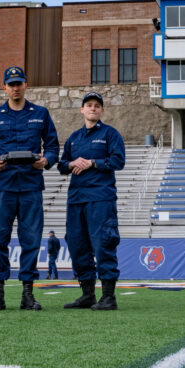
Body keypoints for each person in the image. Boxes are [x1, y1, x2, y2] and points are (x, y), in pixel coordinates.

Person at [0, 67, 59, 312]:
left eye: (19, 83)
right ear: (4, 87)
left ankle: (27, 295)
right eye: (11, 84)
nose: (15, 88)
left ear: (26, 85)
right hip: (2, 187)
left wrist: (46, 160)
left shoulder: (41, 113)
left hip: (31, 187)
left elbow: (53, 147)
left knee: (31, 241)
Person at [58, 91, 125, 311]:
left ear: (102, 110)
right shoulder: (74, 138)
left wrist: (93, 163)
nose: (93, 108)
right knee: (77, 246)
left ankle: (108, 297)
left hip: (101, 199)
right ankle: (87, 294)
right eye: (89, 105)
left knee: (103, 244)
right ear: (82, 110)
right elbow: (61, 165)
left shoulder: (110, 134)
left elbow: (118, 161)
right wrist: (71, 164)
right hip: (76, 199)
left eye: (97, 105)